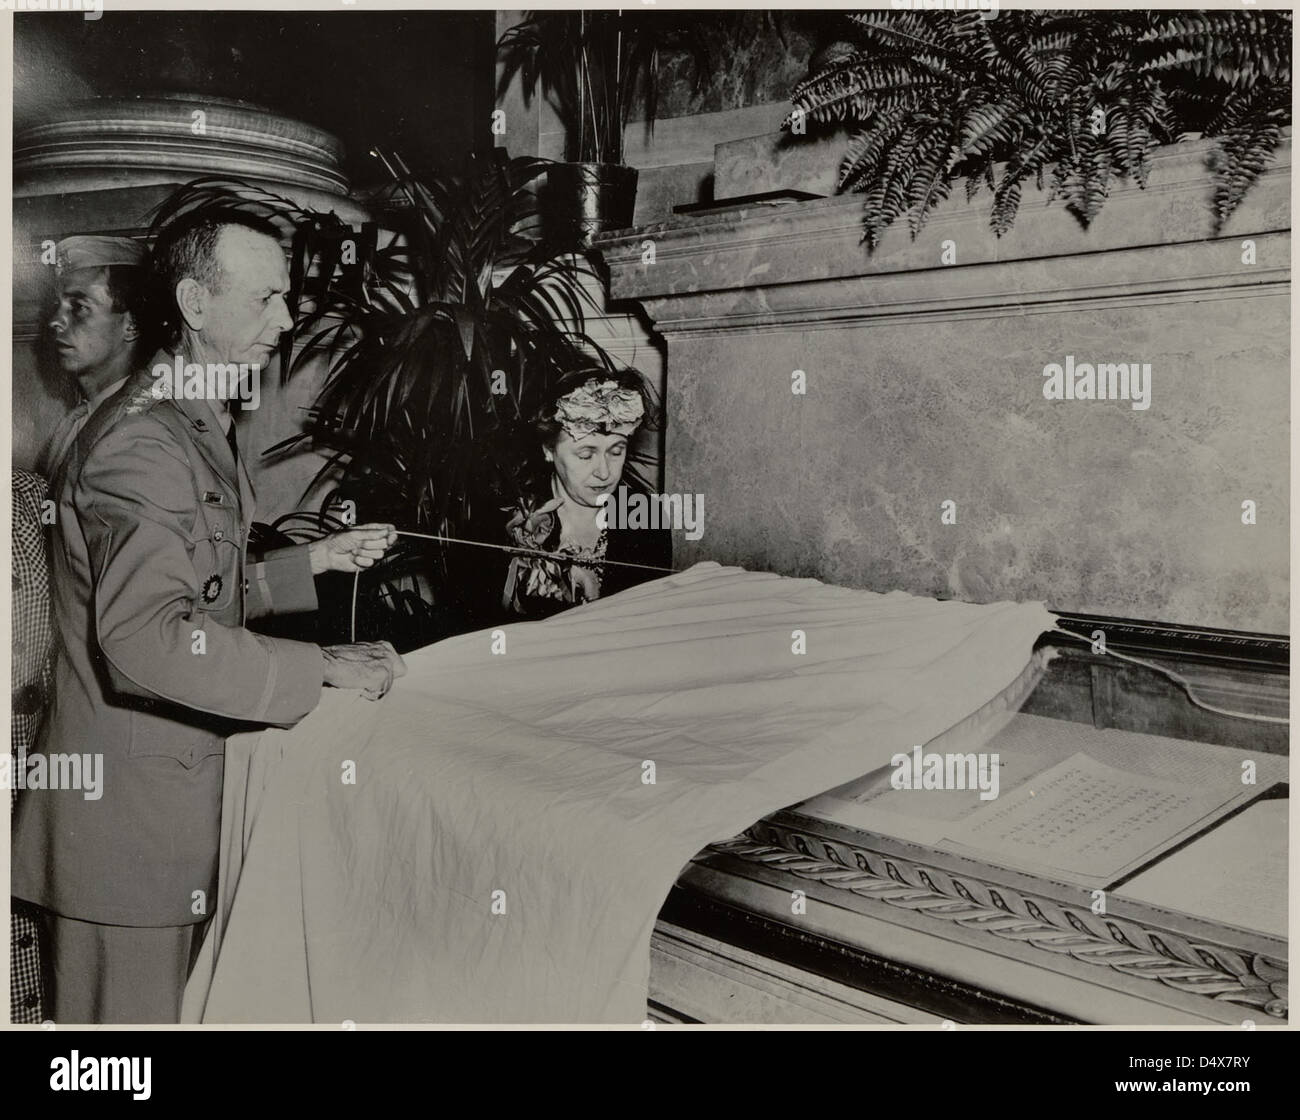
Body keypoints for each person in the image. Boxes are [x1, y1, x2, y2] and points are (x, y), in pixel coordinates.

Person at [11, 209, 407, 1024]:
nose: (288, 319)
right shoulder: (146, 442)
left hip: (172, 824)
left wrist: (313, 566)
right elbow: (146, 639)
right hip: (128, 844)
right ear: (195, 302)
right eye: (266, 298)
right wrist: (322, 667)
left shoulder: (196, 419)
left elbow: (201, 594)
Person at [496, 367, 672, 620]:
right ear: (548, 449)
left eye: (616, 451)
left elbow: (650, 625)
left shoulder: (643, 515)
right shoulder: (507, 518)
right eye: (586, 454)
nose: (604, 472)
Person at [37, 235, 151, 481]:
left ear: (131, 324)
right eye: (57, 305)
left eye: (78, 307)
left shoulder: (143, 431)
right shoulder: (74, 423)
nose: (55, 321)